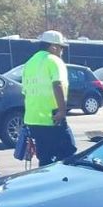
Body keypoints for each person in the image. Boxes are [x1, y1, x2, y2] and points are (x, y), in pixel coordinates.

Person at [21, 30, 77, 166]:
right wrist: (62, 111)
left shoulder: (29, 63)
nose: (62, 51)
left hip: (33, 119)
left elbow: (25, 92)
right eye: (61, 48)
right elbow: (57, 84)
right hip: (52, 118)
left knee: (45, 158)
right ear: (53, 47)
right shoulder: (54, 61)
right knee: (69, 154)